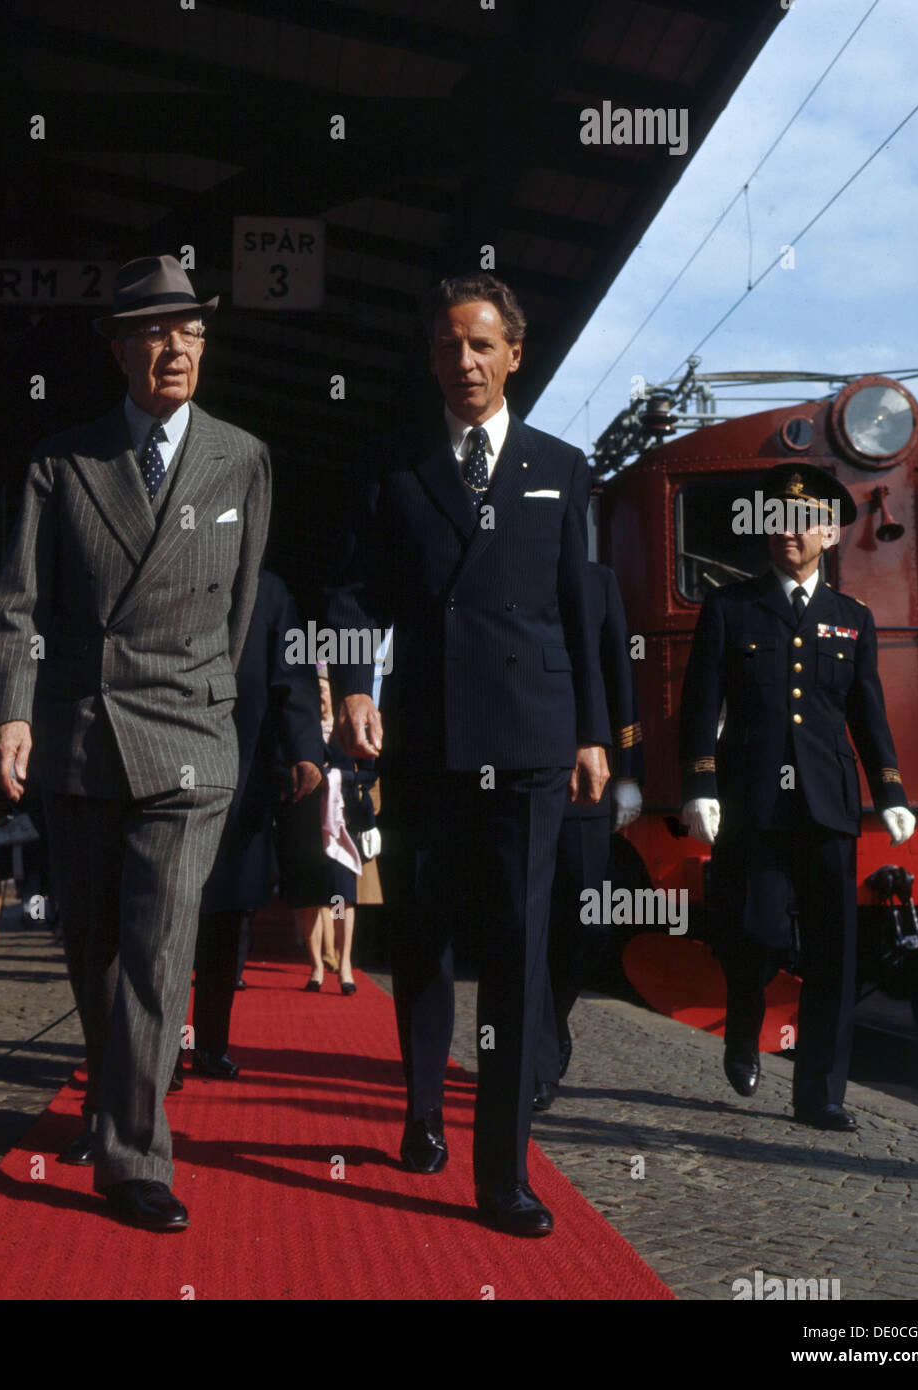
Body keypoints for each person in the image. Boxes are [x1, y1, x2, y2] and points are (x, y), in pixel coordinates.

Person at [0, 255, 270, 1232]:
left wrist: (206, 698)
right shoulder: (63, 461)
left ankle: (136, 1156)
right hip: (81, 733)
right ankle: (114, 1105)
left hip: (189, 735)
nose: (176, 345)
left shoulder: (243, 458)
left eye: (191, 328)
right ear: (119, 348)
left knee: (156, 947)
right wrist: (14, 708)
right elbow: (18, 603)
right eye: (154, 329)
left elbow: (237, 612)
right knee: (95, 948)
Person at [328, 273, 609, 1236]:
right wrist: (356, 683)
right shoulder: (394, 467)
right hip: (430, 739)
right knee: (423, 936)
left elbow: (582, 607)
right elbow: (355, 592)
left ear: (513, 353)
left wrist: (592, 732)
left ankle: (504, 1176)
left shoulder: (560, 467)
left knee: (520, 950)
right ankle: (419, 1110)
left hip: (531, 736)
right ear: (432, 357)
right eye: (448, 346)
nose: (463, 363)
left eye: (481, 346)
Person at [679, 463, 915, 1131]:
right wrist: (699, 784)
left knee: (833, 951)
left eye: (802, 521)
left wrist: (890, 790)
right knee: (753, 930)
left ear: (829, 535)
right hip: (751, 802)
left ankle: (819, 1095)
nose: (784, 530)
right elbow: (699, 708)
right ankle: (742, 1025)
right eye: (774, 518)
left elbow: (867, 716)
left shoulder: (851, 619)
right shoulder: (729, 609)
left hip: (829, 804)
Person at [186, 571, 327, 1085]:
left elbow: (294, 679)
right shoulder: (172, 566)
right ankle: (155, 1050)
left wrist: (306, 750)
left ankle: (210, 1045)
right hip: (165, 767)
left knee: (226, 918)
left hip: (240, 781)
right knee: (160, 916)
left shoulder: (271, 593)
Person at [534, 562, 644, 1108]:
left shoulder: (597, 581)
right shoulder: (491, 561)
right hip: (510, 766)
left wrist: (629, 771)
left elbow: (617, 671)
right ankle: (533, 1051)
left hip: (586, 773)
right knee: (521, 917)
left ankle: (552, 1017)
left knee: (588, 917)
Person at [277, 667, 373, 995]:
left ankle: (344, 964)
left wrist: (341, 779)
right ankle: (317, 966)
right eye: (315, 688)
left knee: (343, 895)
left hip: (341, 825)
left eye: (325, 687)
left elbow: (370, 770)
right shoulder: (299, 729)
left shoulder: (349, 726)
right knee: (310, 897)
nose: (321, 694)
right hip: (304, 822)